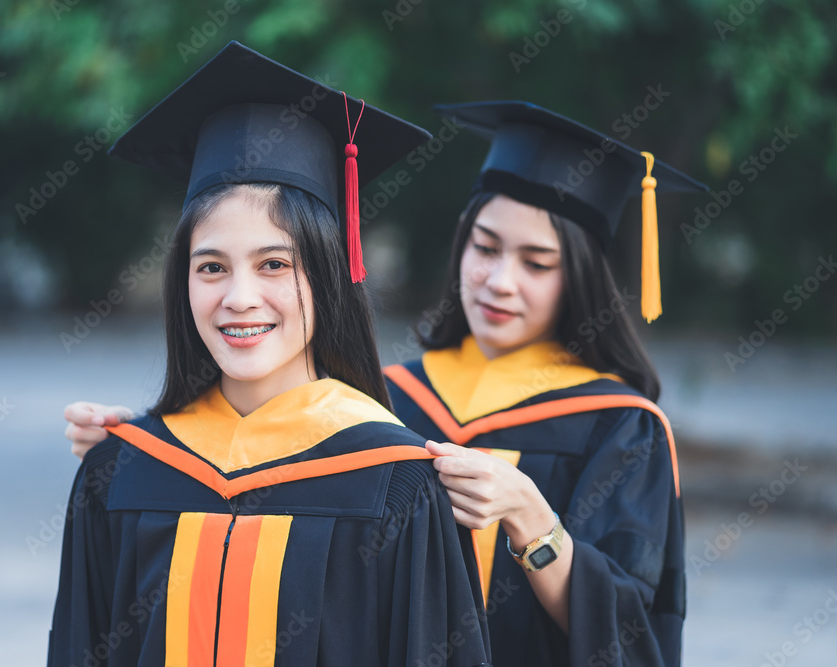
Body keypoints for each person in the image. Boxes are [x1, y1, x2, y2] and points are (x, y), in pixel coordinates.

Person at [63, 99, 706, 665]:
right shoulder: (391, 398)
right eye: (484, 248)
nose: (500, 280)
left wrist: (533, 520)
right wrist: (150, 451)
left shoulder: (618, 424)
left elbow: (638, 638)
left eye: (537, 261)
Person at [47, 42, 493, 667]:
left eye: (275, 264)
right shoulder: (120, 473)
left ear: (331, 275)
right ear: (182, 282)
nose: (239, 298)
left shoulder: (395, 483)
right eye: (211, 267)